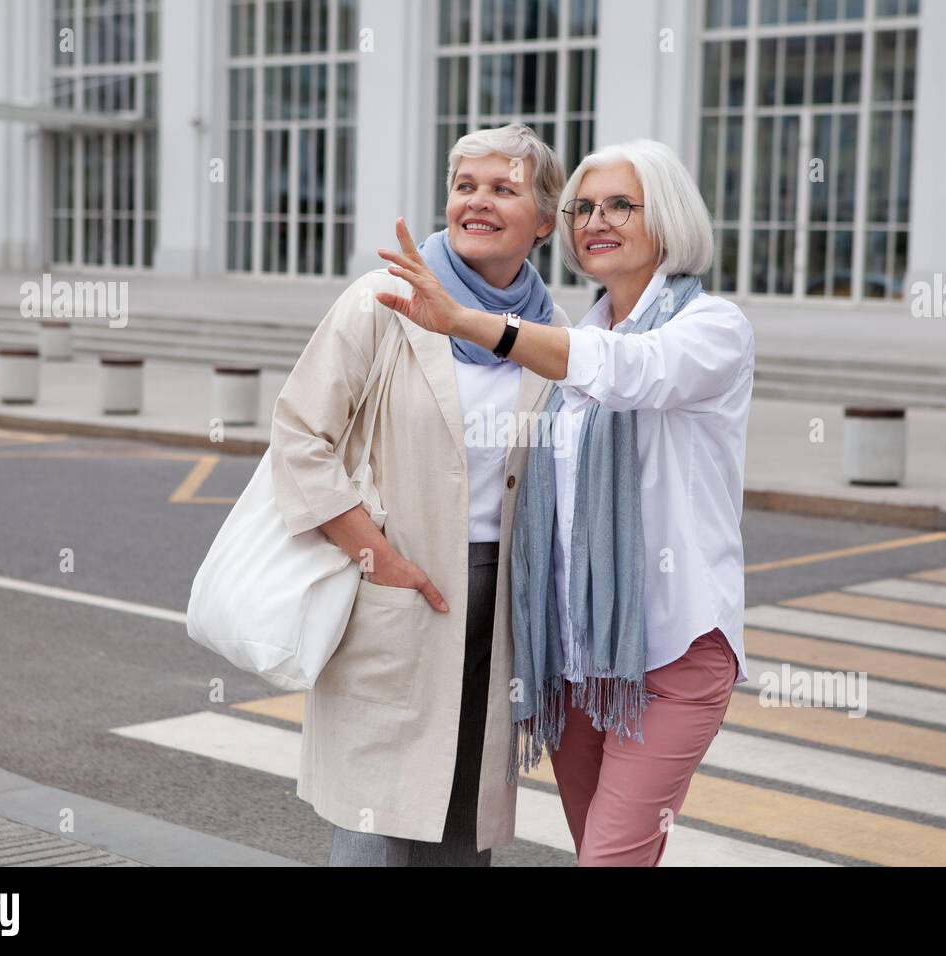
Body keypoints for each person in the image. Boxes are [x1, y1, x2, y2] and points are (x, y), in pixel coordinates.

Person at [373, 138, 754, 867]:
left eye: (618, 205)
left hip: (672, 648)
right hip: (580, 657)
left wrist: (468, 321)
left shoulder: (713, 329)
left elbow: (629, 373)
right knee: (605, 854)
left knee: (608, 859)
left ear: (667, 218)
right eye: (582, 206)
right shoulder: (576, 333)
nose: (594, 219)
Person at [270, 123, 569, 866]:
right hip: (400, 585)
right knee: (375, 825)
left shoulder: (552, 330)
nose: (478, 202)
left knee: (462, 827)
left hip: (502, 605)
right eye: (466, 186)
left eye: (503, 188)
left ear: (542, 220)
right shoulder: (383, 299)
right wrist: (376, 557)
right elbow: (299, 435)